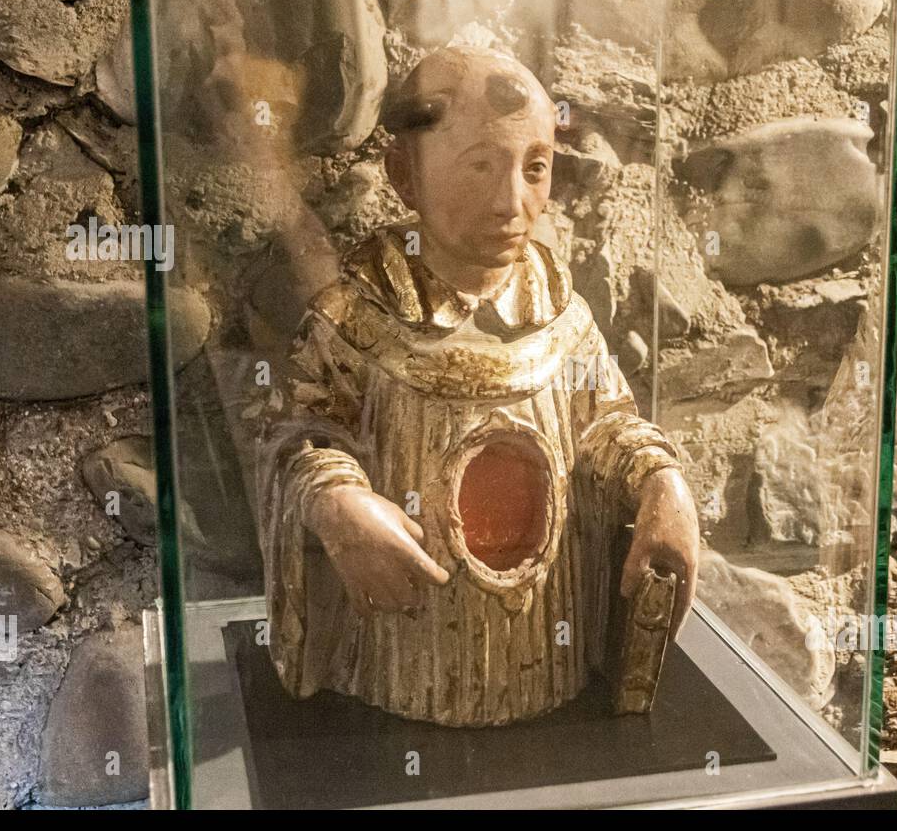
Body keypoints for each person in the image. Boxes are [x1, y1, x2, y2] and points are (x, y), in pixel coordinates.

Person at [258, 46, 698, 726]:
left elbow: (607, 424)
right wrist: (336, 502)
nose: (512, 203)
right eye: (480, 166)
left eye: (536, 168)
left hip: (552, 652)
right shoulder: (354, 318)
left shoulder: (561, 315)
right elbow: (298, 435)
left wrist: (661, 481)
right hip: (403, 656)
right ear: (405, 174)